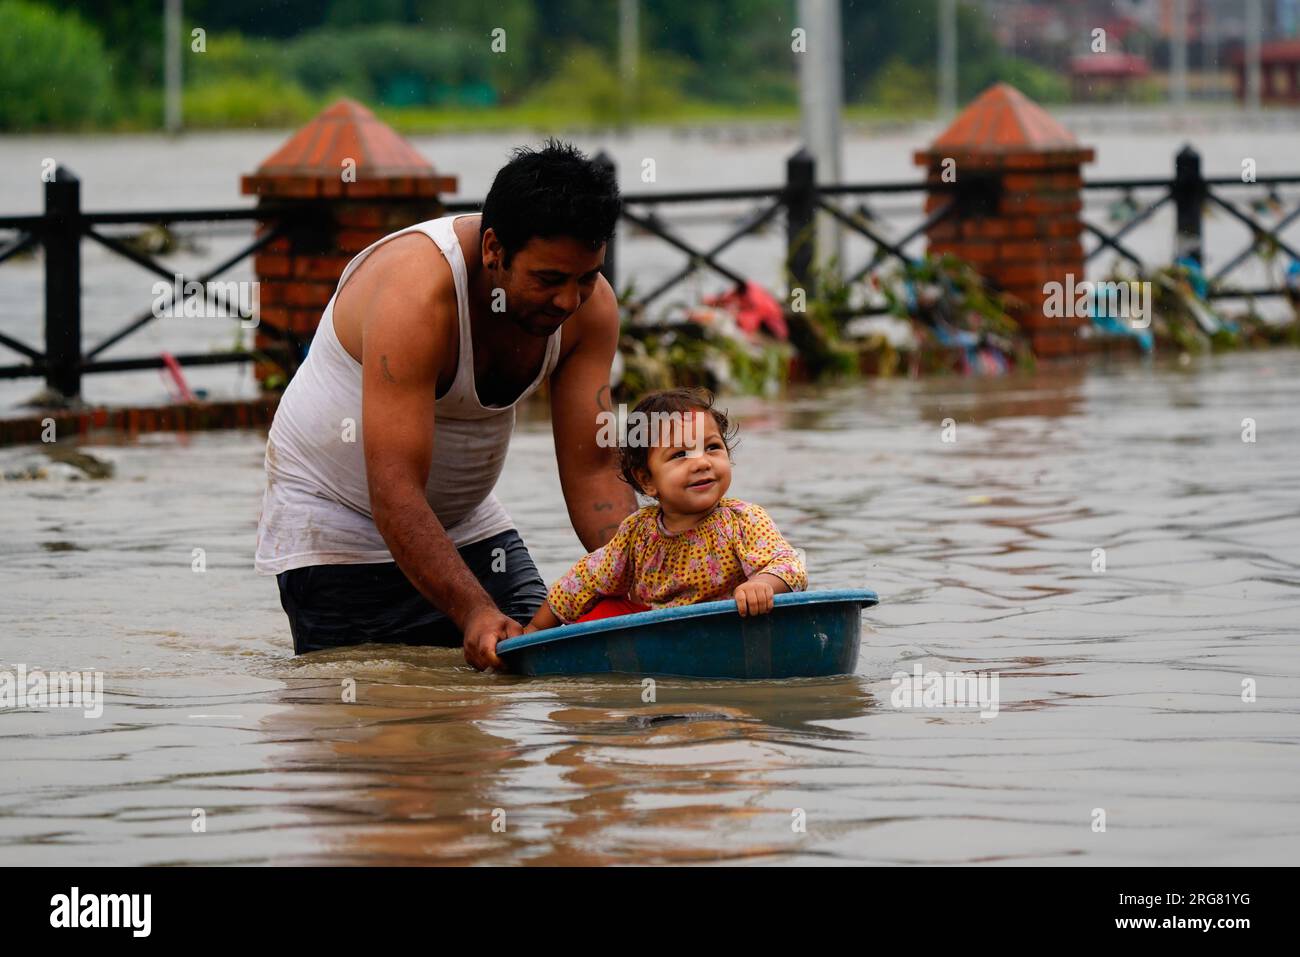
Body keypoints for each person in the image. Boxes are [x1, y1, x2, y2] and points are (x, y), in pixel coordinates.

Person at [254, 140, 637, 670]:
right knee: (385, 718)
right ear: (493, 250)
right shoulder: (415, 295)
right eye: (548, 280)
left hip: (467, 523)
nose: (568, 301)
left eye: (586, 277)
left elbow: (594, 470)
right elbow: (394, 489)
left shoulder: (590, 312)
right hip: (337, 525)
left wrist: (650, 582)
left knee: (537, 670)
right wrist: (474, 609)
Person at [524, 388, 807, 632]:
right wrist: (536, 628)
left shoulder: (742, 519)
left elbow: (790, 565)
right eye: (680, 455)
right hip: (661, 635)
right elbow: (585, 580)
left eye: (712, 447)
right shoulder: (638, 533)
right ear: (647, 481)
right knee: (601, 609)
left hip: (732, 627)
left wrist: (762, 584)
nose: (701, 463)